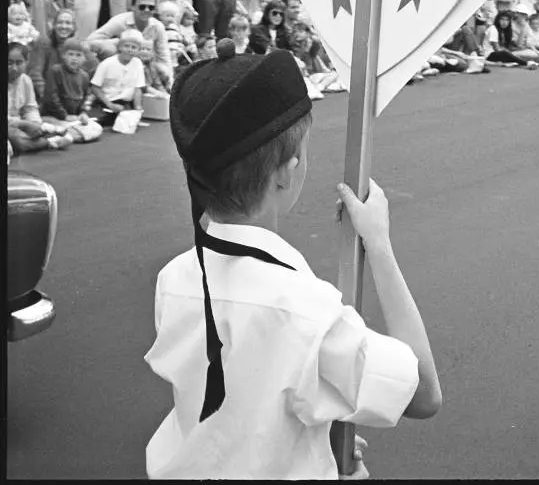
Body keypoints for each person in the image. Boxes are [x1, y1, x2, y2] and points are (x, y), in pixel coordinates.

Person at [144, 43, 441, 479]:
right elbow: (424, 394)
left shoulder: (174, 278)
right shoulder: (306, 309)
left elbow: (244, 414)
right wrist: (379, 245)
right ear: (287, 170)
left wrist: (310, 439)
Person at [87, 0, 173, 84]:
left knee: (163, 69)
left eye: (151, 7)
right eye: (142, 7)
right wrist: (118, 43)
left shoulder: (158, 26)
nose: (146, 10)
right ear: (132, 7)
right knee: (109, 48)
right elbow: (90, 41)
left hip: (145, 66)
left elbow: (164, 55)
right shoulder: (120, 21)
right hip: (120, 62)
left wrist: (171, 82)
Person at [8, 43, 73, 154]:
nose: (14, 68)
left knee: (54, 122)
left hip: (24, 122)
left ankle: (45, 137)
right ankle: (49, 142)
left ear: (26, 63)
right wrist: (25, 125)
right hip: (11, 126)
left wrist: (35, 125)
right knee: (17, 138)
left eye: (19, 63)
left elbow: (30, 108)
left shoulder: (26, 80)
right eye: (9, 63)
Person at [41, 38, 103, 144]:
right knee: (51, 124)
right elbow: (51, 98)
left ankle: (65, 136)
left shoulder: (84, 76)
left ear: (85, 58)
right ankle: (60, 135)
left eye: (78, 55)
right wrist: (64, 116)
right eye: (71, 54)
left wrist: (83, 112)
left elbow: (86, 97)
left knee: (97, 128)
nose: (74, 59)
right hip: (53, 116)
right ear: (64, 55)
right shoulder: (56, 70)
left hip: (73, 119)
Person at [90, 28, 145, 125]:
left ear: (138, 50)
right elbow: (95, 87)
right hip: (108, 100)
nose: (130, 50)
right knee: (107, 121)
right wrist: (110, 105)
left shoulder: (137, 63)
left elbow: (138, 89)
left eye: (134, 47)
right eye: (126, 46)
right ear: (119, 47)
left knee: (127, 122)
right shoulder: (107, 63)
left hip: (126, 102)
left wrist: (138, 109)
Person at [158, 0, 195, 66]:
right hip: (165, 54)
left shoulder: (175, 28)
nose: (170, 19)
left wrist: (185, 45)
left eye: (172, 16)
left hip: (177, 53)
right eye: (167, 16)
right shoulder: (159, 27)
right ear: (161, 16)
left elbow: (180, 38)